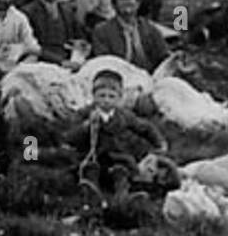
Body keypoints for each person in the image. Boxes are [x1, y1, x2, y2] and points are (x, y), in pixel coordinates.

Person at [65, 68, 167, 197]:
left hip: (118, 157)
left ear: (119, 98)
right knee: (90, 170)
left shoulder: (124, 116)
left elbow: (145, 128)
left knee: (121, 172)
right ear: (93, 96)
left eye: (111, 96)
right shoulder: (85, 114)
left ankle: (123, 196)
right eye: (101, 96)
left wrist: (159, 143)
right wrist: (86, 127)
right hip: (94, 156)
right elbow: (70, 137)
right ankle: (91, 192)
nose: (106, 101)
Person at [90, 0, 169, 72]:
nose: (127, 3)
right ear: (114, 5)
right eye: (122, 0)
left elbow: (163, 57)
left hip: (149, 75)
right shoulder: (102, 30)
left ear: (138, 4)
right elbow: (103, 61)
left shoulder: (151, 29)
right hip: (118, 75)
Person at [23, 0, 86, 66]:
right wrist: (61, 62)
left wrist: (80, 47)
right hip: (39, 63)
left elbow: (78, 38)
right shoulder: (28, 12)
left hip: (68, 60)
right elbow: (31, 47)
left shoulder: (67, 11)